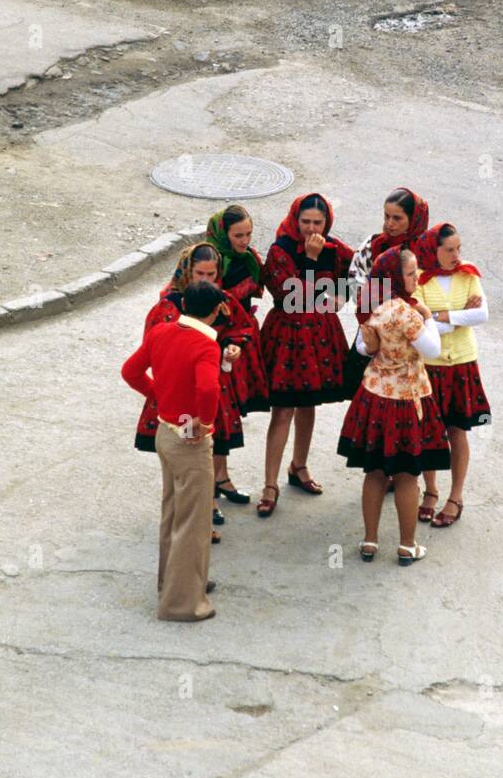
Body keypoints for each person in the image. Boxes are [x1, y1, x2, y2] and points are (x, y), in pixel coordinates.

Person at [121, 281, 225, 622]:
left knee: (172, 512)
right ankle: (182, 603)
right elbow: (209, 389)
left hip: (165, 432)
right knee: (194, 521)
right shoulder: (206, 346)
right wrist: (204, 423)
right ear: (213, 311)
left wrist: (158, 396)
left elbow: (130, 371)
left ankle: (176, 583)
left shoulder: (162, 332)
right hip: (188, 441)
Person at [338, 247, 449, 565]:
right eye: (411, 273)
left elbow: (362, 346)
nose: (416, 278)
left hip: (374, 398)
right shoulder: (407, 312)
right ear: (396, 277)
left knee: (373, 472)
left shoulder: (374, 306)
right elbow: (432, 349)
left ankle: (370, 540)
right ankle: (407, 545)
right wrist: (427, 318)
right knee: (406, 476)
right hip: (406, 401)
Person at [257, 192, 354, 516]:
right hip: (288, 336)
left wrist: (341, 296)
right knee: (283, 410)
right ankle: (270, 484)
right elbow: (287, 294)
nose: (312, 229)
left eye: (318, 223)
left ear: (327, 222)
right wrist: (311, 260)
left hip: (320, 337)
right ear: (295, 220)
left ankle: (298, 467)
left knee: (308, 404)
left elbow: (357, 273)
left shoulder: (334, 249)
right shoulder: (280, 250)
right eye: (306, 222)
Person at [170, 240, 269, 505]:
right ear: (188, 272)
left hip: (219, 379)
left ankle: (220, 478)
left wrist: (233, 345)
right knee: (194, 441)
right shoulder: (170, 303)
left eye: (211, 275)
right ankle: (204, 501)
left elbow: (243, 327)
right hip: (187, 383)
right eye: (200, 274)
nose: (206, 280)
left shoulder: (223, 300)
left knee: (219, 431)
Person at [413, 223, 491, 528]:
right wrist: (460, 317)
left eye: (458, 248)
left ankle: (455, 497)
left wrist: (441, 317)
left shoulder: (469, 274)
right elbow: (420, 326)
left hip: (461, 364)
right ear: (434, 250)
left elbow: (482, 315)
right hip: (430, 364)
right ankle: (430, 491)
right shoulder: (419, 278)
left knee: (458, 431)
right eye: (449, 250)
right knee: (427, 431)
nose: (456, 255)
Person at [345, 186, 430, 398]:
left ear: (414, 219)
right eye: (386, 216)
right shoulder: (373, 245)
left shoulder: (427, 252)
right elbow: (355, 279)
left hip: (413, 337)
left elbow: (430, 292)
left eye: (397, 218)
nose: (390, 223)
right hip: (374, 331)